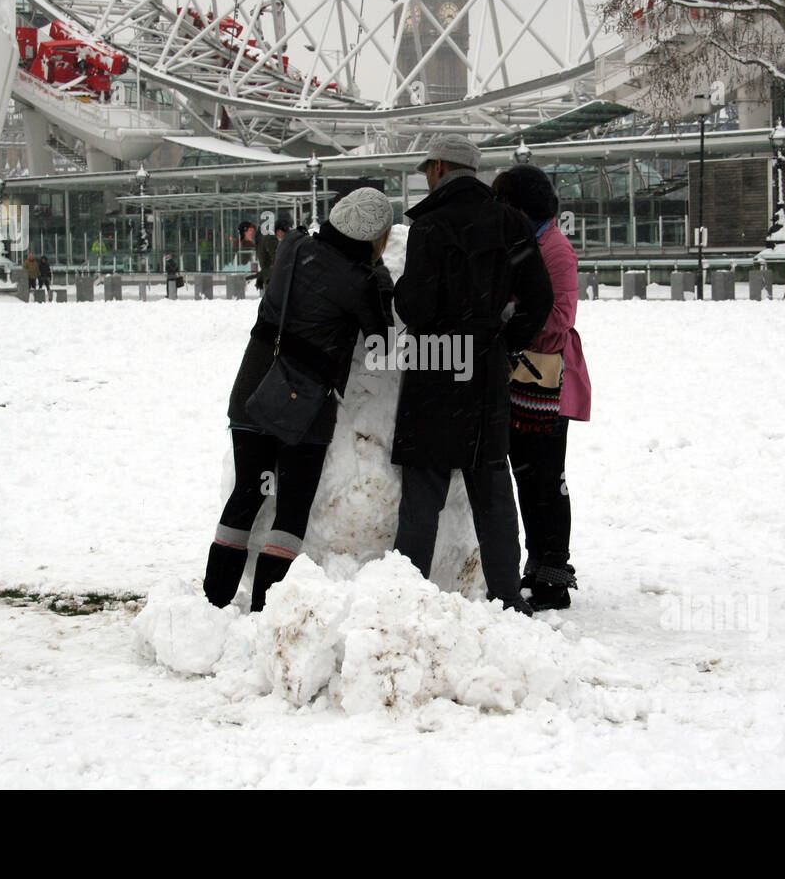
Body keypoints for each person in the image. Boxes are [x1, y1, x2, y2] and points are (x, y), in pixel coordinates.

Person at [204, 189, 395, 612]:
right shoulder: (359, 280)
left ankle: (213, 600)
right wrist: (379, 282)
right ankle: (266, 611)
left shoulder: (293, 245)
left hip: (255, 385)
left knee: (246, 494)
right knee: (291, 509)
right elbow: (380, 342)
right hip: (305, 403)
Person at [391, 135, 553, 615]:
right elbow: (540, 298)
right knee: (492, 487)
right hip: (483, 366)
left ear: (439, 167)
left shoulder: (430, 226)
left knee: (423, 489)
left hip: (435, 364)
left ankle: (406, 599)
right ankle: (506, 596)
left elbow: (415, 307)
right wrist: (506, 344)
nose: (426, 177)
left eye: (426, 170)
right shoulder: (511, 223)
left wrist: (402, 292)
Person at [493, 165, 592, 611]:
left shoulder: (555, 248)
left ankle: (553, 570)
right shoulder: (526, 241)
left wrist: (507, 321)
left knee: (547, 478)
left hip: (547, 377)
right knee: (527, 475)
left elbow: (559, 317)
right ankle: (537, 563)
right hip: (524, 374)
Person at [254, 219, 291, 291]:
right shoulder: (262, 240)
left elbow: (277, 260)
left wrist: (269, 277)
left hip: (278, 281)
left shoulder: (269, 239)